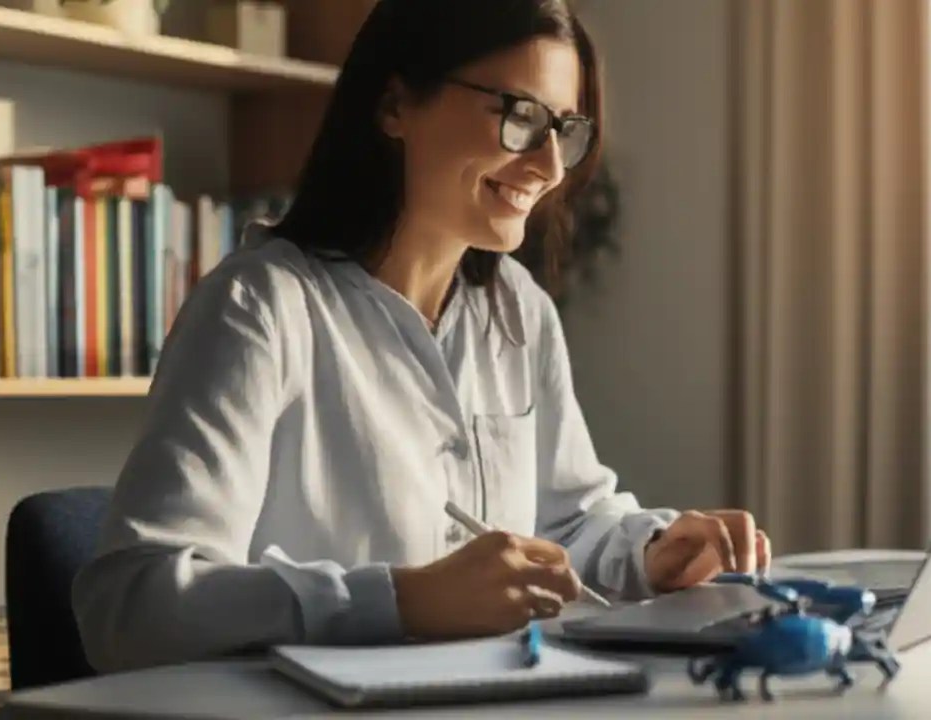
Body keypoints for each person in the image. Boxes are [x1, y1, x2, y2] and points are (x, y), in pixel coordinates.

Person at [72, 0, 771, 673]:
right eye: (520, 117)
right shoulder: (259, 307)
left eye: (566, 129)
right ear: (394, 104)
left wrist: (652, 553)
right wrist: (403, 600)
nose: (551, 167)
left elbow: (567, 525)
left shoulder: (518, 309)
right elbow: (131, 608)